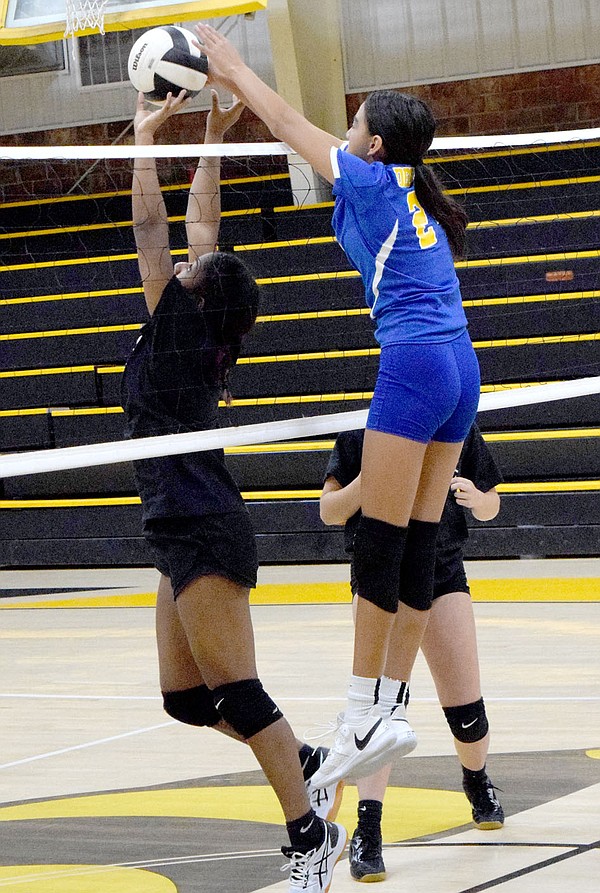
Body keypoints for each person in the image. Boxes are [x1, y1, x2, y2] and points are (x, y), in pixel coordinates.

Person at [194, 23, 481, 787]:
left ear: (376, 145)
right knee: (418, 544)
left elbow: (288, 127)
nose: (344, 130)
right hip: (459, 365)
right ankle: (385, 708)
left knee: (379, 548)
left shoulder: (373, 179)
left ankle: (360, 713)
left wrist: (231, 67)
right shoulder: (411, 191)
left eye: (355, 123)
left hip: (417, 365)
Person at [121, 88, 346, 893]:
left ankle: (310, 838)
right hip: (177, 527)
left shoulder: (178, 332)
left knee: (241, 694)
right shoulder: (178, 321)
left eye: (190, 269)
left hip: (202, 526)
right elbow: (201, 231)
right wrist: (211, 134)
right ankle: (305, 758)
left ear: (198, 295)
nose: (182, 261)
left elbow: (164, 227)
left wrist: (147, 139)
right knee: (187, 699)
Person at [320, 423, 505, 881]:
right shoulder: (358, 437)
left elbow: (492, 503)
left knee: (467, 713)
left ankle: (476, 778)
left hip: (441, 572)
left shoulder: (458, 427)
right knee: (377, 714)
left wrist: (476, 499)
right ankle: (368, 828)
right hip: (379, 577)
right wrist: (369, 483)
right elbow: (328, 510)